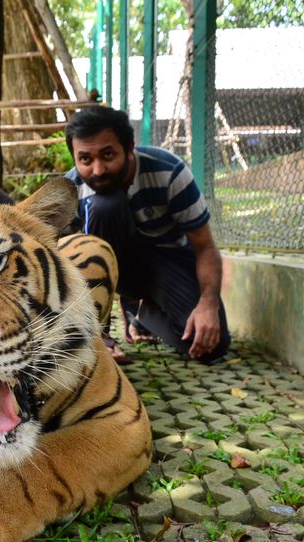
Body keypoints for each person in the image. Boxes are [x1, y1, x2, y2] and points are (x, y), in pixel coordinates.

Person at [64, 105, 230, 364]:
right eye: (85, 159)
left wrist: (209, 305)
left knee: (212, 346)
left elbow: (205, 247)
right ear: (74, 158)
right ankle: (100, 337)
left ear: (129, 147)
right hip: (113, 270)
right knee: (106, 206)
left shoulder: (168, 172)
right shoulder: (70, 190)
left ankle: (142, 313)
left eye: (108, 155)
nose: (98, 170)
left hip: (168, 264)